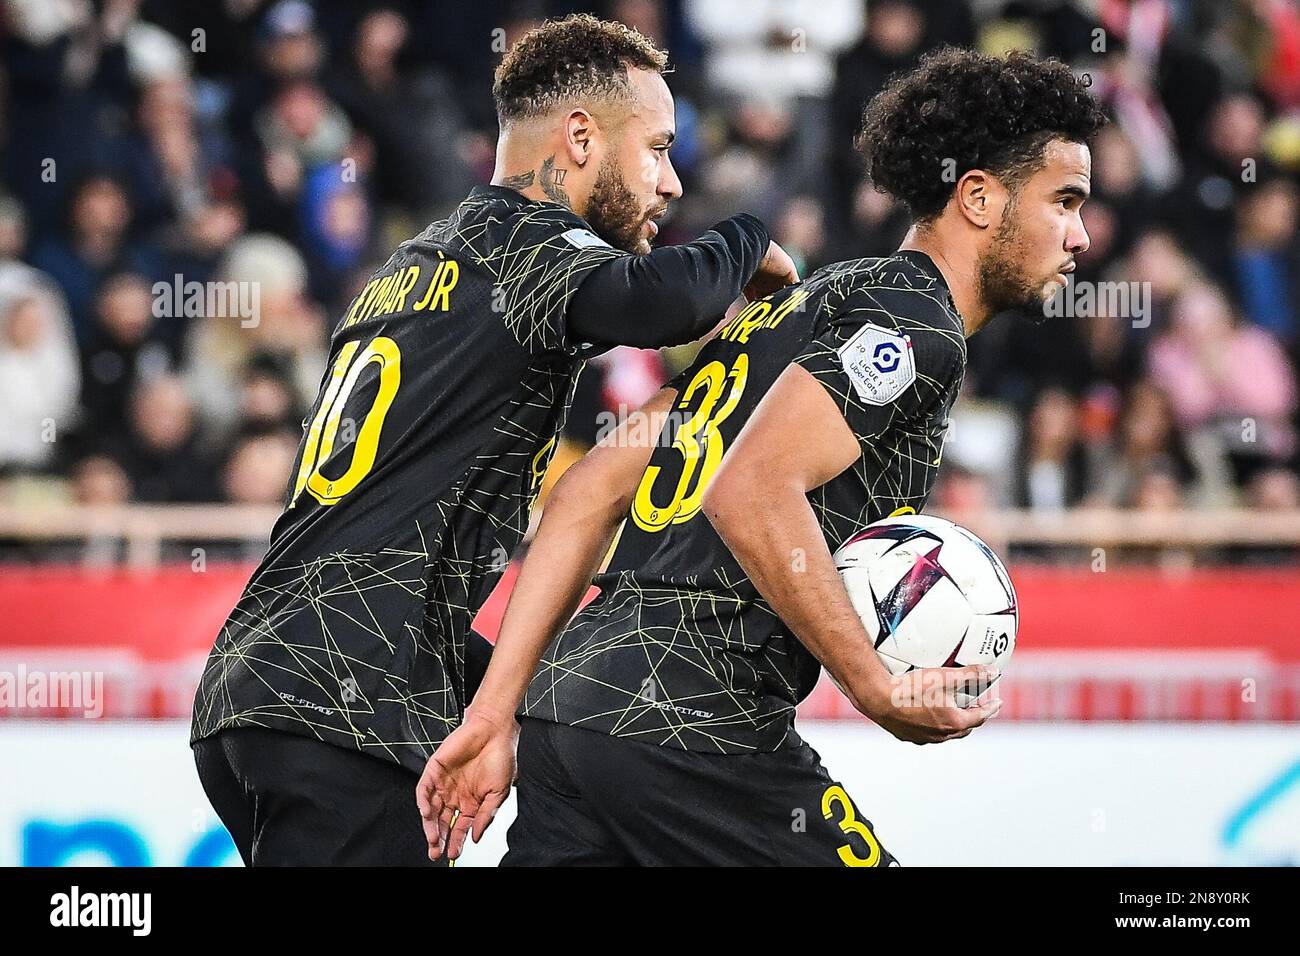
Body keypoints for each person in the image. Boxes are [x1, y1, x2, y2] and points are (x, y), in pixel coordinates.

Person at [418, 47, 1106, 866]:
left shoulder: (793, 308)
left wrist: (495, 716)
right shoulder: (916, 324)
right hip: (694, 717)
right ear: (980, 197)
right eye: (1064, 202)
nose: (1082, 235)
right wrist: (876, 685)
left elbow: (585, 496)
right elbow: (751, 489)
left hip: (572, 709)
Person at [191, 14, 797, 867]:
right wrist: (749, 238)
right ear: (580, 137)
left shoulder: (414, 263)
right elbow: (666, 305)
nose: (669, 183)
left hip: (279, 679)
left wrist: (512, 703)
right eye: (657, 149)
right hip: (350, 701)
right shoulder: (526, 241)